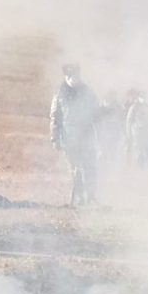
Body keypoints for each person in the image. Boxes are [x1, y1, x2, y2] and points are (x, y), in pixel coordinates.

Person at [49, 63, 99, 206]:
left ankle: (90, 196)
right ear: (66, 77)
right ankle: (77, 197)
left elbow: (96, 112)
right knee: (75, 168)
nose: (75, 79)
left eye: (77, 76)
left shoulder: (87, 92)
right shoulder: (60, 94)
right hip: (68, 137)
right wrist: (55, 138)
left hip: (86, 135)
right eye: (71, 77)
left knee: (89, 166)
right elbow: (54, 117)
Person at [125, 89, 148, 169]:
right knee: (139, 152)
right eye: (142, 96)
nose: (143, 98)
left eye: (144, 96)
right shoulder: (134, 107)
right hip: (138, 133)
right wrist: (129, 134)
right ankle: (140, 169)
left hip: (147, 133)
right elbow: (129, 121)